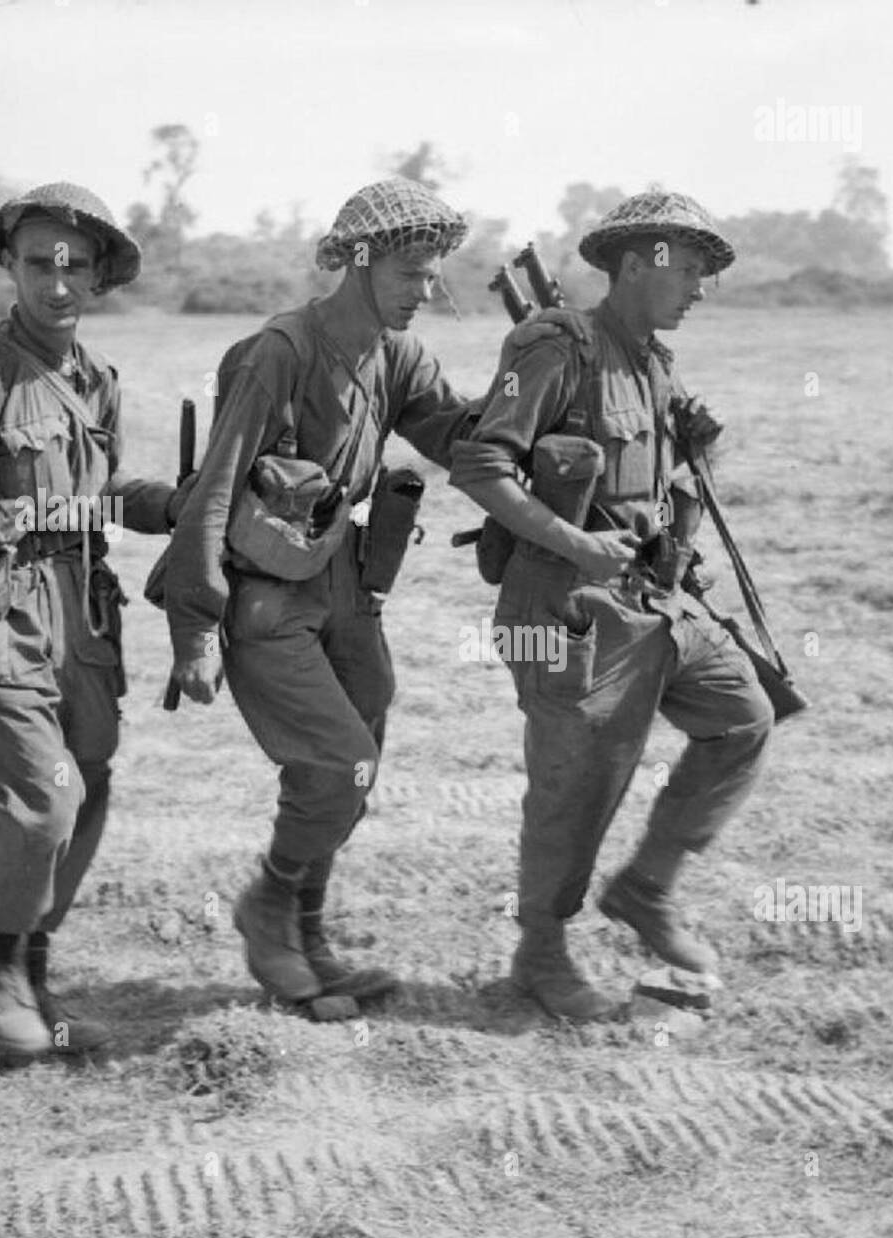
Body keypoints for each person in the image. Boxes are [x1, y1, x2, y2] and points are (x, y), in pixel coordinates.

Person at [164, 177, 582, 1006]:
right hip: (269, 593)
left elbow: (465, 442)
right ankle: (269, 907)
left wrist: (526, 367)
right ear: (358, 261)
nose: (425, 291)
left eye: (432, 275)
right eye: (410, 273)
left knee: (354, 768)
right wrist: (196, 628)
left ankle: (306, 935)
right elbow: (213, 490)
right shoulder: (278, 352)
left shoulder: (399, 356)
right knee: (337, 763)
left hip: (349, 589)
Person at [448, 191, 775, 1021]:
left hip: (652, 597)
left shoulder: (654, 361)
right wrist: (576, 542)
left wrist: (697, 460)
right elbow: (481, 466)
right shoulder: (555, 345)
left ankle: (646, 889)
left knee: (742, 715)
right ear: (635, 264)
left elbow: (660, 486)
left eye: (703, 272)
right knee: (576, 781)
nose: (698, 287)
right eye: (688, 269)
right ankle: (540, 952)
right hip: (565, 606)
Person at [0, 183, 193, 1055]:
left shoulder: (96, 379)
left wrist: (172, 503)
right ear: (11, 269)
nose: (57, 284)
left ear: (97, 277)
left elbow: (102, 493)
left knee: (90, 778)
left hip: (80, 613)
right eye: (38, 264)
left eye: (75, 266)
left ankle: (32, 968)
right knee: (44, 798)